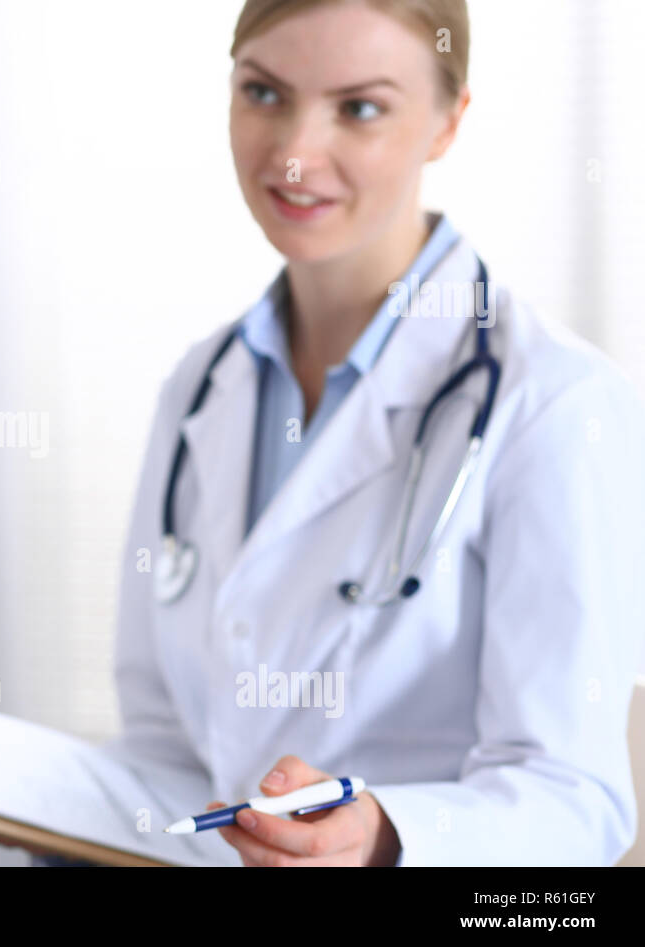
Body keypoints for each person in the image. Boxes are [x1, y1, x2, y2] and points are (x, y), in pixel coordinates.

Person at [109, 0, 645, 865]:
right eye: (265, 93)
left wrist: (385, 836)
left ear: (447, 121)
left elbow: (572, 797)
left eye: (359, 108)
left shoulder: (554, 404)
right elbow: (165, 748)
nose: (292, 153)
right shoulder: (199, 388)